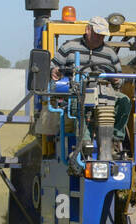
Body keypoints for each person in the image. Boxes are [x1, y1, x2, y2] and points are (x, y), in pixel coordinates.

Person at [50, 15, 131, 155]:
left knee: (124, 101)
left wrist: (117, 80)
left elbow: (119, 77)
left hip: (105, 93)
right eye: (97, 33)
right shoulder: (69, 47)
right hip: (77, 92)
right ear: (88, 30)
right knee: (80, 103)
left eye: (102, 35)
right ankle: (84, 144)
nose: (100, 37)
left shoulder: (110, 53)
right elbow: (52, 66)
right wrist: (54, 71)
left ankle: (114, 139)